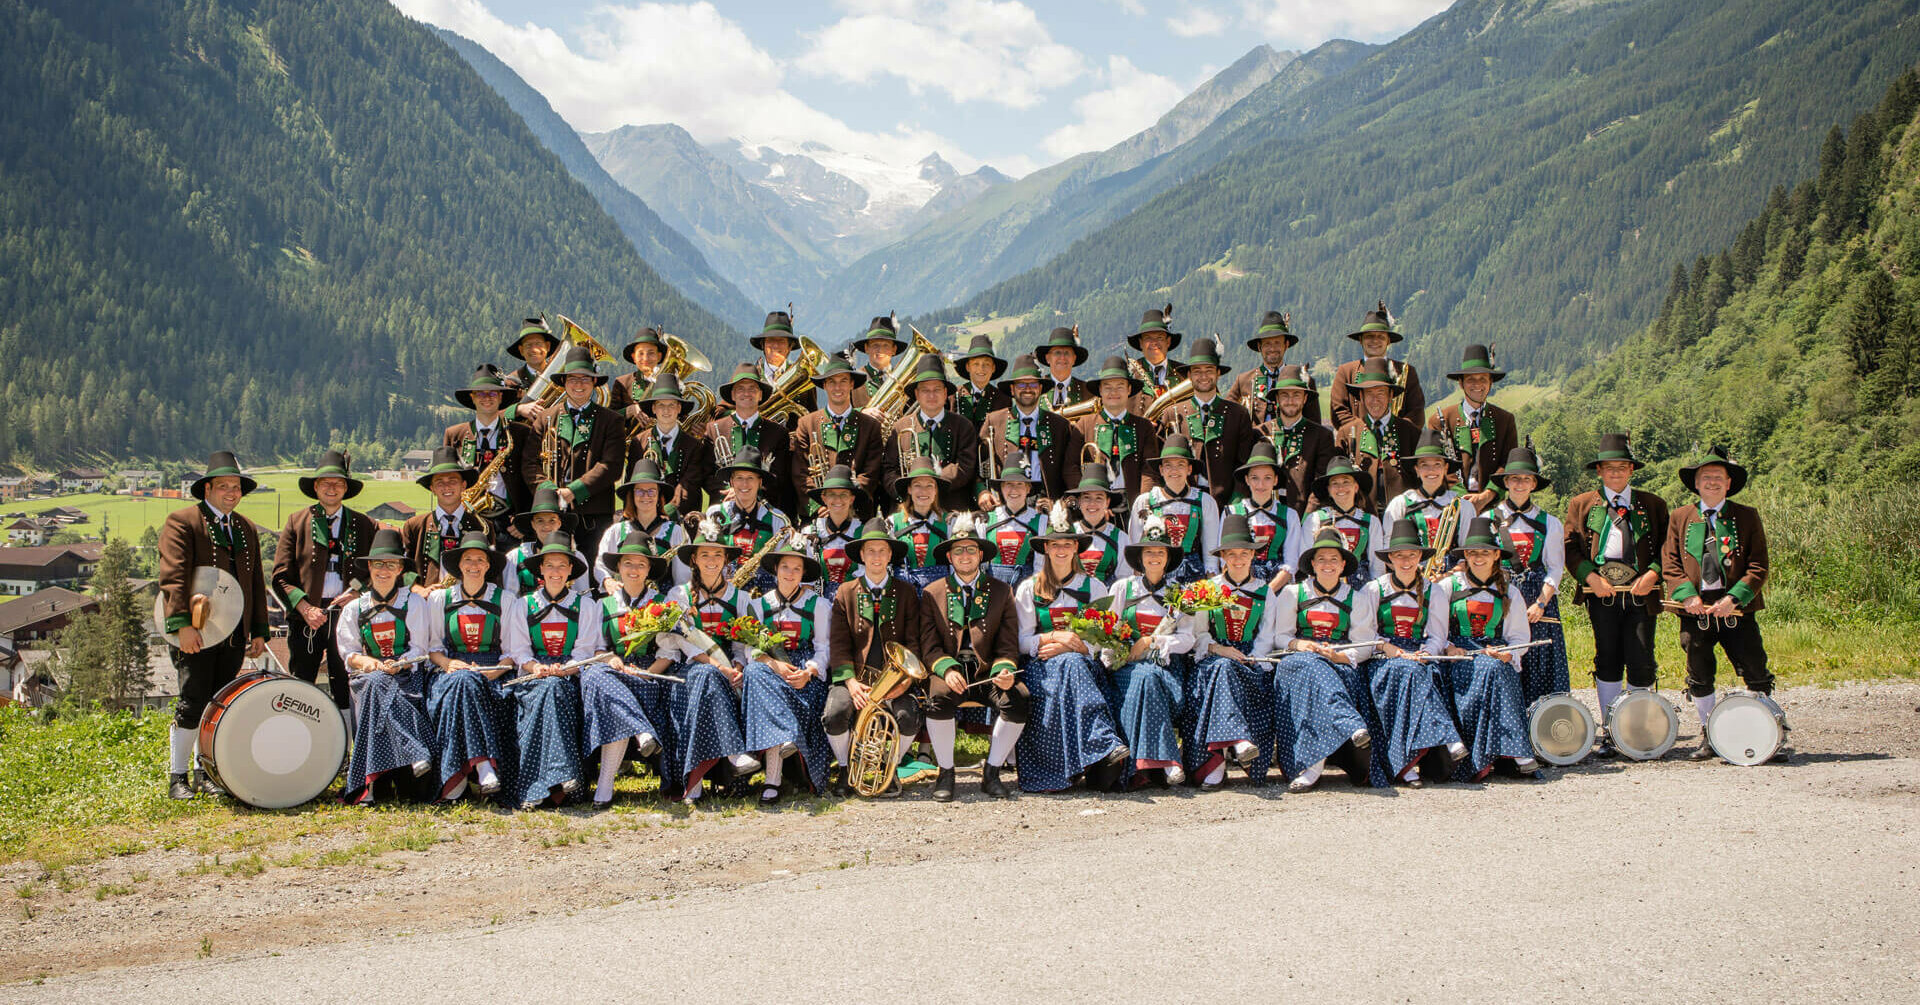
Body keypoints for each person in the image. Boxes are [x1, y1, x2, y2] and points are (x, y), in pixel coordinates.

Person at [158, 451, 271, 800]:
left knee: (218, 703)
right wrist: (182, 626)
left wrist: (259, 631)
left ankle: (205, 772)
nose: (231, 493)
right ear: (207, 488)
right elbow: (174, 576)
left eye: (236, 487)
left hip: (234, 630)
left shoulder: (245, 527)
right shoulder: (183, 521)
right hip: (197, 628)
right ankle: (177, 777)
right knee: (193, 700)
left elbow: (254, 581)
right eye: (224, 486)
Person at [1663, 446, 1782, 762]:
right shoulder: (1679, 517)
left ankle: (1769, 734)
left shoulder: (1746, 516)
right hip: (1695, 610)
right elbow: (1671, 564)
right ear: (1697, 483)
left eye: (1718, 477)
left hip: (1736, 610)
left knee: (1755, 668)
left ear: (1729, 483)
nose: (1712, 482)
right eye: (1706, 477)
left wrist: (1733, 598)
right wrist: (1687, 596)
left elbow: (1758, 565)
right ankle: (1708, 735)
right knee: (1699, 673)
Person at [1563, 433, 1668, 757]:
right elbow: (1570, 548)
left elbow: (1669, 546)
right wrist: (1589, 578)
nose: (1616, 473)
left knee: (1640, 659)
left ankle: (1635, 729)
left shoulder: (1652, 504)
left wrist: (1652, 574)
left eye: (1622, 467)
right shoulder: (1581, 504)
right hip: (1602, 595)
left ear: (1631, 470)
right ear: (1599, 471)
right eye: (1609, 468)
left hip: (1640, 595)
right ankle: (1610, 730)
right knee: (1607, 657)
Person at [1012, 525, 1129, 792]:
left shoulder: (1095, 587)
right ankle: (1102, 741)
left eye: (1067, 544)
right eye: (1055, 545)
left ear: (1076, 548)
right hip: (1040, 665)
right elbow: (1021, 640)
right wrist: (1053, 636)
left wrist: (1068, 647)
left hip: (1083, 664)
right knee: (1067, 670)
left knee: (1073, 664)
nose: (1061, 550)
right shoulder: (1028, 588)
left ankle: (1094, 753)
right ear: (1046, 549)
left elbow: (1102, 640)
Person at [1351, 520, 1467, 787]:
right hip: (1383, 658)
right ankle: (1448, 739)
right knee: (1409, 673)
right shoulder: (1373, 589)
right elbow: (1363, 634)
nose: (1406, 561)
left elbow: (1438, 635)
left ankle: (1407, 766)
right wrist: (1387, 648)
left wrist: (1426, 652)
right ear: (1390, 559)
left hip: (1419, 657)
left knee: (1417, 672)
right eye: (1399, 555)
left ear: (1419, 558)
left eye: (1412, 555)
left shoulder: (1433, 590)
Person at [1423, 517, 1541, 780]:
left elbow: (1519, 636)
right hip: (1459, 659)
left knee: (1495, 668)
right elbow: (1436, 631)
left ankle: (1503, 754)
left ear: (1497, 555)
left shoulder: (1511, 592)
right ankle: (1513, 752)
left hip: (1495, 655)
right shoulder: (1446, 588)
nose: (1479, 558)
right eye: (1473, 553)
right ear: (1465, 555)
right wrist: (1449, 648)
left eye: (1485, 552)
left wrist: (1510, 653)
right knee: (1490, 671)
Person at [918, 515, 1026, 801]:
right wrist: (946, 669)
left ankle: (991, 773)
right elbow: (928, 646)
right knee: (936, 699)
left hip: (987, 672)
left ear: (980, 555)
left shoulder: (1001, 592)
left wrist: (1005, 669)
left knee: (1018, 699)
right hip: (949, 671)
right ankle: (946, 773)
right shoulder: (933, 592)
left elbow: (1008, 642)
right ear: (950, 557)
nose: (964, 555)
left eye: (970, 550)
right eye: (958, 550)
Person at [1268, 529, 1377, 792]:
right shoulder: (1292, 593)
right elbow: (1280, 637)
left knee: (1316, 675)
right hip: (1296, 662)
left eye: (1333, 559)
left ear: (1342, 566)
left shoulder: (1358, 598)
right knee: (1309, 667)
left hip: (1337, 664)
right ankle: (1348, 722)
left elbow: (1364, 646)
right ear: (1312, 565)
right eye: (1321, 559)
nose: (1327, 564)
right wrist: (1299, 643)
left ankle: (1312, 767)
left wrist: (1339, 655)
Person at [661, 522, 763, 802]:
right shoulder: (679, 596)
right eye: (705, 555)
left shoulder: (740, 598)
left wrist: (739, 668)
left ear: (726, 560)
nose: (711, 561)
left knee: (717, 682)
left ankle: (695, 783)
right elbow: (685, 643)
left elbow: (744, 643)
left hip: (731, 670)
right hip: (691, 671)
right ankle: (733, 754)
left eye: (718, 555)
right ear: (693, 559)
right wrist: (719, 666)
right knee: (707, 676)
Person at [824, 523, 926, 797]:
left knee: (908, 718)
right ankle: (846, 768)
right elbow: (839, 643)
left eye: (883, 551)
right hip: (856, 679)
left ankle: (887, 768)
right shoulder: (846, 592)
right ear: (863, 556)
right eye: (871, 551)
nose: (877, 557)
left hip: (893, 681)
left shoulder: (905, 592)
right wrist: (851, 682)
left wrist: (903, 683)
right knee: (834, 714)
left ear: (890, 555)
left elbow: (913, 643)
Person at [273, 449, 375, 722]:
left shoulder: (362, 524)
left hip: (347, 615)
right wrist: (306, 608)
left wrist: (354, 591)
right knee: (302, 680)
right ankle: (302, 744)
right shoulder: (297, 522)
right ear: (316, 487)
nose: (332, 488)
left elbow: (372, 571)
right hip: (307, 618)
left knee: (345, 680)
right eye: (326, 483)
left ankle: (349, 751)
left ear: (346, 488)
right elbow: (280, 576)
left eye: (338, 483)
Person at [336, 528, 436, 804]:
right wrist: (370, 663)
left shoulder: (414, 602)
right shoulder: (353, 608)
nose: (384, 570)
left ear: (400, 568)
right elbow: (349, 652)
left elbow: (420, 648)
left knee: (381, 688)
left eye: (391, 564)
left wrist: (400, 663)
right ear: (369, 567)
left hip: (406, 674)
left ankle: (372, 783)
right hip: (367, 676)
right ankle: (414, 751)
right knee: (376, 683)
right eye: (378, 564)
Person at [500, 533, 597, 808]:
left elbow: (584, 651)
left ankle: (536, 789)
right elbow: (518, 651)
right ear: (540, 570)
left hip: (571, 675)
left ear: (570, 571)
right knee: (546, 692)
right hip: (533, 675)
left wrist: (564, 669)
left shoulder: (586, 605)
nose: (556, 571)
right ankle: (562, 778)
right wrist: (537, 667)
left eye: (562, 566)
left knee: (553, 691)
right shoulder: (523, 605)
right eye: (550, 565)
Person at [1468, 448, 1568, 706]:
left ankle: (1543, 726)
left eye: (1525, 479)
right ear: (1506, 483)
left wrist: (1540, 603)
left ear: (1534, 483)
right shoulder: (1488, 519)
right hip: (1501, 593)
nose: (1519, 484)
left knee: (1541, 659)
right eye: (1514, 479)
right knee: (1505, 657)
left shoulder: (1550, 522)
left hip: (1538, 595)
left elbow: (1555, 568)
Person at [1104, 518, 1200, 787]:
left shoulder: (1180, 594)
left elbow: (1187, 639)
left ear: (1168, 558)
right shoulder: (1123, 589)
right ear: (1140, 558)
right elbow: (1108, 630)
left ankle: (1142, 767)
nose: (1154, 557)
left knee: (1148, 678)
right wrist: (1118, 652)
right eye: (1149, 552)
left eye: (1160, 552)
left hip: (1166, 669)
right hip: (1126, 668)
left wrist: (1150, 641)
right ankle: (1167, 761)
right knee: (1143, 679)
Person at [1185, 516, 1278, 788]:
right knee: (1222, 669)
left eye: (1245, 553)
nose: (1238, 559)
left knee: (1231, 671)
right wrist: (1217, 648)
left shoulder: (1264, 592)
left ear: (1253, 555)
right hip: (1213, 658)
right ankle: (1231, 747)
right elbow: (1199, 634)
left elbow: (1266, 634)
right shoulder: (1207, 589)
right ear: (1223, 556)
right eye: (1232, 554)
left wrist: (1253, 658)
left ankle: (1227, 752)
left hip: (1251, 660)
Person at [579, 533, 670, 809]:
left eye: (641, 564)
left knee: (609, 699)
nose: (634, 570)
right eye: (628, 563)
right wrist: (609, 660)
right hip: (613, 670)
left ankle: (605, 788)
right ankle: (641, 732)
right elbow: (593, 649)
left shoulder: (662, 603)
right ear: (618, 568)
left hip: (648, 674)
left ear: (649, 569)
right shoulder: (602, 604)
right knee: (594, 675)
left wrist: (645, 672)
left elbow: (669, 653)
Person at [424, 532, 516, 803]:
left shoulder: (506, 600)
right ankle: (483, 766)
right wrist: (449, 663)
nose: (474, 565)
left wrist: (494, 671)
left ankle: (456, 778)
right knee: (463, 682)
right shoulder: (440, 599)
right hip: (450, 669)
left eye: (480, 559)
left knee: (466, 686)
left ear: (488, 566)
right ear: (459, 565)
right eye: (468, 559)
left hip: (494, 672)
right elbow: (433, 648)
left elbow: (513, 652)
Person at [742, 544, 836, 803]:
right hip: (771, 669)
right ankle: (774, 772)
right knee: (754, 672)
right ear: (775, 569)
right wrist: (776, 666)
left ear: (803, 572)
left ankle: (772, 781)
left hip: (802, 675)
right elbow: (751, 649)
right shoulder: (758, 605)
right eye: (785, 566)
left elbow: (824, 649)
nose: (790, 573)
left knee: (769, 692)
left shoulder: (818, 605)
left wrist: (809, 672)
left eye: (797, 568)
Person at [521, 347, 627, 573]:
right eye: (573, 379)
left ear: (594, 382)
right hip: (550, 513)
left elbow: (612, 466)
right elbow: (530, 464)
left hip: (592, 516)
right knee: (550, 571)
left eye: (585, 379)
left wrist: (573, 491)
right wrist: (550, 492)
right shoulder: (545, 417)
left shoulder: (611, 420)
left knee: (591, 573)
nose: (578, 384)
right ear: (564, 382)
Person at [1157, 338, 1257, 510]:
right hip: (1181, 503)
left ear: (1218, 373)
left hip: (1226, 504)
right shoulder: (1171, 413)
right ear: (1189, 376)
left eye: (1209, 370)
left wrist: (1235, 503)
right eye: (1197, 371)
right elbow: (1160, 464)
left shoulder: (1238, 414)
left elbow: (1245, 464)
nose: (1203, 376)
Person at [444, 365, 535, 541]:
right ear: (472, 397)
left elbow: (531, 478)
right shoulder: (455, 434)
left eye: (493, 393)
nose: (487, 398)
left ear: (501, 397)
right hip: (468, 517)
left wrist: (524, 519)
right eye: (480, 394)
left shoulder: (521, 433)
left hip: (509, 522)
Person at [978, 353, 1081, 510]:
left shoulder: (1059, 425)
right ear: (1012, 390)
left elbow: (1070, 469)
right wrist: (982, 492)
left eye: (1033, 385)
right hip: (1006, 502)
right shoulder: (995, 421)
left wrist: (1067, 500)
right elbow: (976, 467)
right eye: (1021, 385)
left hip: (1046, 504)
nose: (1027, 389)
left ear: (1040, 389)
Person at [878, 355, 978, 513]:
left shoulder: (963, 426)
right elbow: (889, 469)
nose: (931, 395)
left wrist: (931, 485)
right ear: (917, 395)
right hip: (907, 511)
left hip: (951, 510)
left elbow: (965, 467)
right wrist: (907, 490)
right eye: (925, 390)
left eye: (937, 389)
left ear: (946, 393)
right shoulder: (900, 427)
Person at [1426, 344, 1518, 513]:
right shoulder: (1440, 421)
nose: (1477, 385)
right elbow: (1436, 464)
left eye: (1483, 378)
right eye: (1470, 379)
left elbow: (1509, 463)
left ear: (1490, 382)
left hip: (1493, 506)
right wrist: (1462, 497)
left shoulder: (1505, 420)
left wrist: (1487, 495)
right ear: (1461, 383)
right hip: (1450, 506)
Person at [790, 355, 885, 518]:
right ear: (825, 386)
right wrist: (820, 506)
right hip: (819, 515)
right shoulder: (806, 423)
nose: (837, 387)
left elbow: (871, 473)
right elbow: (801, 473)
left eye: (843, 381)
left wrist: (845, 505)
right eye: (832, 382)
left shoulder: (870, 426)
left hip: (857, 514)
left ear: (852, 384)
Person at [1070, 356, 1161, 507]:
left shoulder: (1144, 427)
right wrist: (1088, 499)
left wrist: (1143, 502)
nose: (1114, 392)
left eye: (1120, 386)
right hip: (1096, 506)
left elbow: (1149, 470)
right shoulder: (1084, 424)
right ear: (1100, 390)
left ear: (1129, 389)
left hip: (1133, 503)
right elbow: (1071, 467)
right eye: (1107, 387)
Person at [705, 363, 794, 517]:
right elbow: (706, 474)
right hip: (723, 508)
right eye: (740, 389)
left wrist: (747, 492)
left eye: (752, 389)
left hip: (764, 511)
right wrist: (732, 491)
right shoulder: (714, 429)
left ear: (760, 395)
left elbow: (779, 477)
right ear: (732, 395)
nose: (747, 393)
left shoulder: (778, 433)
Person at [702, 445, 792, 595]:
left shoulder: (777, 518)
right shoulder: (715, 512)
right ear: (731, 482)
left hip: (763, 595)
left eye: (750, 478)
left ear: (760, 483)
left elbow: (782, 565)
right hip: (721, 591)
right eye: (739, 478)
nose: (744, 484)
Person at [400, 446, 489, 596]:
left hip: (469, 602)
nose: (446, 487)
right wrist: (418, 589)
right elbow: (401, 567)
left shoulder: (481, 526)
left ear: (464, 485)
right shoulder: (414, 526)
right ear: (432, 488)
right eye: (440, 482)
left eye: (452, 481)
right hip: (427, 602)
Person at [1129, 435, 1220, 583]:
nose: (1174, 470)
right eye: (1168, 465)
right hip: (1157, 573)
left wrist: (1210, 586)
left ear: (1189, 469)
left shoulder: (1204, 501)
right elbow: (1135, 545)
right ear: (1161, 469)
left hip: (1194, 575)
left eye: (1180, 464)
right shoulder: (1146, 501)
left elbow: (1211, 550)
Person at [1336, 358, 1423, 511]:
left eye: (1381, 393)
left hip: (1402, 516)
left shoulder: (1410, 432)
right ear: (1361, 397)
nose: (1375, 400)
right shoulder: (1346, 433)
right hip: (1363, 516)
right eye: (1369, 393)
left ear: (1391, 396)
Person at [596, 458, 691, 592]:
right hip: (623, 603)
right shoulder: (616, 531)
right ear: (632, 495)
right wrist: (608, 581)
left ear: (659, 496)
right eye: (640, 491)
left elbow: (683, 578)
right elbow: (600, 565)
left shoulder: (675, 532)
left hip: (662, 606)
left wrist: (672, 605)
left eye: (651, 491)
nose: (646, 496)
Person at [629, 373, 715, 517]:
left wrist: (664, 513)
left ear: (679, 408)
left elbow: (689, 487)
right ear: (654, 409)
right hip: (643, 516)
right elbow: (631, 484)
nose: (666, 410)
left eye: (671, 405)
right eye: (661, 405)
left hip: (681, 518)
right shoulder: (639, 442)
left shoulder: (695, 446)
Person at [1222, 441, 1304, 590]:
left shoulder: (1289, 515)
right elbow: (1224, 559)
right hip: (1239, 584)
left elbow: (1291, 562)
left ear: (1276, 480)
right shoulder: (1232, 512)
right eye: (1255, 478)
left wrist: (1267, 593)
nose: (1260, 485)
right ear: (1247, 480)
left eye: (1267, 478)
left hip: (1277, 585)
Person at [1330, 301, 1425, 428]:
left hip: (1398, 444)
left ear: (1388, 341)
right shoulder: (1346, 372)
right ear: (1360, 340)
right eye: (1369, 336)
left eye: (1381, 337)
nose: (1375, 340)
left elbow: (1416, 412)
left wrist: (1394, 433)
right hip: (1358, 443)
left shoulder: (1405, 371)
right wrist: (1365, 433)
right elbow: (1339, 411)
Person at [1300, 455, 1386, 590]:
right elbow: (1307, 559)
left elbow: (1377, 566)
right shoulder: (1315, 519)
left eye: (1346, 482)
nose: (1341, 488)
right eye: (1335, 483)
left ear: (1356, 487)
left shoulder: (1371, 522)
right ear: (1328, 490)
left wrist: (1374, 595)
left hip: (1361, 587)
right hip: (1324, 584)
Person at [1228, 310, 1323, 426]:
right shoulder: (1243, 381)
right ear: (1259, 347)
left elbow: (1314, 424)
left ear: (1286, 345)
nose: (1272, 349)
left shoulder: (1303, 380)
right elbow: (1227, 415)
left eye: (1277, 343)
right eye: (1267, 344)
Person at [1383, 428, 1464, 554]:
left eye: (1437, 464)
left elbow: (1468, 549)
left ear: (1446, 468)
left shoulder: (1462, 505)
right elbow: (1388, 545)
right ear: (1416, 469)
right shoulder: (1401, 504)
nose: (1431, 470)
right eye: (1424, 465)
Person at [502, 486, 590, 597]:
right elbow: (510, 598)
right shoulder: (515, 557)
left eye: (552, 520)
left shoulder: (576, 557)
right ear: (533, 524)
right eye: (540, 521)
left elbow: (583, 597)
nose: (546, 526)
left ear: (559, 523)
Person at [979, 459, 1048, 586]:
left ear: (1028, 489)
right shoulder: (987, 519)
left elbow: (1040, 564)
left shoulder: (1040, 521)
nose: (1014, 489)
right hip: (993, 584)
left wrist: (1033, 589)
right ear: (1001, 488)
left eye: (1019, 484)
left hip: (1025, 585)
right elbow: (981, 563)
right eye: (1008, 484)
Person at [797, 464, 866, 592]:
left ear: (852, 499)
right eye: (832, 494)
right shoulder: (810, 532)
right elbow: (805, 581)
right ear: (824, 498)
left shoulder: (862, 532)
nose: (838, 500)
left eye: (844, 494)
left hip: (853, 600)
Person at [885, 460, 950, 591]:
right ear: (909, 489)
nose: (923, 491)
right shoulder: (893, 523)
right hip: (903, 591)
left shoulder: (948, 522)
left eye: (929, 485)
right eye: (917, 485)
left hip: (939, 590)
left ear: (936, 490)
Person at [1067, 464, 1131, 581]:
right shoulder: (1068, 534)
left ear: (1107, 502)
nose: (1092, 503)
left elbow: (1124, 580)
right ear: (1079, 501)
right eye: (1087, 497)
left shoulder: (1121, 539)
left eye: (1099, 498)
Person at [750, 310, 813, 429]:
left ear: (790, 347)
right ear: (763, 345)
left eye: (781, 341)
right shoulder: (750, 374)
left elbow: (812, 415)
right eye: (770, 340)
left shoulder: (803, 377)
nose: (776, 346)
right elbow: (722, 411)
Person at [1127, 306, 1187, 414]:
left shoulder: (1184, 374)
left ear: (1168, 342)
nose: (1154, 342)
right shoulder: (1128, 375)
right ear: (1141, 343)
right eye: (1148, 338)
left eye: (1160, 338)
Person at [606, 326, 664, 425]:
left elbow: (682, 418)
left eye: (651, 353)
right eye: (641, 353)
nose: (645, 358)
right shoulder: (622, 383)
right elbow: (608, 418)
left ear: (659, 356)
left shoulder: (670, 383)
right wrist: (630, 410)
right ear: (634, 357)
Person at [950, 333, 1010, 427]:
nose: (981, 369)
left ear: (993, 368)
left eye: (986, 364)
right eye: (976, 364)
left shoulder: (1003, 400)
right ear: (968, 367)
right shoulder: (953, 396)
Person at [849, 315, 908, 408]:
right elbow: (841, 413)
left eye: (886, 345)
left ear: (894, 349)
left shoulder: (904, 379)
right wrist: (862, 412)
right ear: (866, 348)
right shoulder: (853, 379)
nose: (880, 350)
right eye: (875, 345)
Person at [499, 317, 562, 402]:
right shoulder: (512, 382)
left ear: (548, 346)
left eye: (538, 344)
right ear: (521, 350)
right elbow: (502, 413)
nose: (534, 349)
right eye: (528, 345)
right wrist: (520, 409)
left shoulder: (560, 377)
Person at [1032, 325, 1091, 409]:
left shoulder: (1087, 392)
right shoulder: (1034, 389)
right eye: (1057, 353)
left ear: (1074, 359)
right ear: (1048, 358)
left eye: (1067, 353)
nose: (1062, 357)